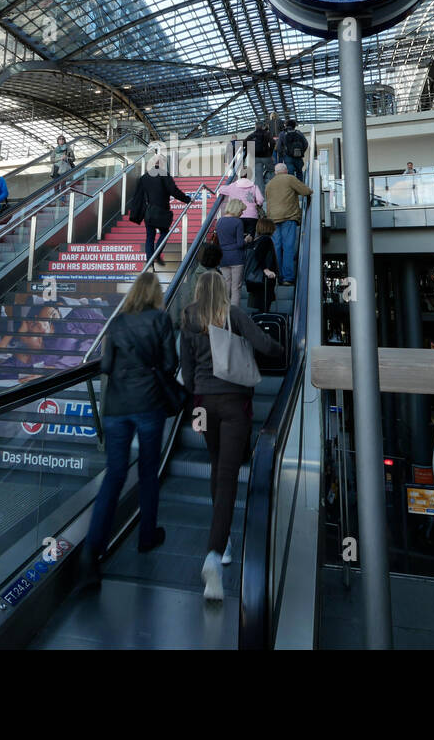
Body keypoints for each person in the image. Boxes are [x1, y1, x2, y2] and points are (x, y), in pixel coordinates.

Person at [181, 271, 282, 602]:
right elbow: (266, 345)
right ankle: (215, 552)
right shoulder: (233, 314)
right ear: (222, 289)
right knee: (228, 477)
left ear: (198, 290)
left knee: (216, 466)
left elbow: (185, 368)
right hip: (235, 404)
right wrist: (291, 348)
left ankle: (221, 543)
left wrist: (197, 393)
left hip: (204, 404)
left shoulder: (188, 317)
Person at [77, 271, 177, 588]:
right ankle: (147, 535)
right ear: (155, 294)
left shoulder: (117, 322)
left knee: (114, 474)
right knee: (148, 472)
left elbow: (105, 366)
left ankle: (93, 551)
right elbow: (170, 362)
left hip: (116, 408)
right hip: (148, 404)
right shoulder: (160, 320)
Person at [129, 157, 191, 268]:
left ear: (151, 163)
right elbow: (173, 190)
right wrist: (187, 199)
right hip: (162, 211)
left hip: (149, 213)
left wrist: (137, 213)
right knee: (164, 232)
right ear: (162, 164)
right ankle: (157, 253)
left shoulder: (144, 177)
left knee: (149, 237)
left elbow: (138, 197)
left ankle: (149, 262)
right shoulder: (164, 174)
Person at [264, 163, 312, 284]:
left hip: (273, 220)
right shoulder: (290, 178)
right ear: (286, 170)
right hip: (288, 218)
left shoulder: (269, 184)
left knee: (276, 248)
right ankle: (287, 278)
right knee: (288, 248)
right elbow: (306, 191)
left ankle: (277, 276)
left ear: (275, 172)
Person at [215, 167, 264, 238]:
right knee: (250, 238)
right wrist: (257, 203)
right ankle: (249, 248)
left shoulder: (233, 186)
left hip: (236, 215)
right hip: (252, 216)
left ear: (239, 175)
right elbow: (260, 199)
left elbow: (220, 189)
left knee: (238, 238)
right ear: (250, 175)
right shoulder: (254, 186)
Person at [216, 199, 248, 305]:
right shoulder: (238, 222)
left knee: (226, 286)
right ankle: (234, 314)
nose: (242, 213)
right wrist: (246, 240)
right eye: (241, 211)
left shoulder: (219, 221)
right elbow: (240, 244)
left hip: (223, 258)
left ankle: (223, 312)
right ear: (237, 209)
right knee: (236, 288)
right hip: (236, 258)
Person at [244, 217, 279, 313]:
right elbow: (259, 255)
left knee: (260, 306)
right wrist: (266, 270)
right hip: (264, 279)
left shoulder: (255, 240)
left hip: (254, 277)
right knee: (265, 305)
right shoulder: (266, 240)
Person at [246, 121, 275, 195]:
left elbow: (244, 142)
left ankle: (261, 195)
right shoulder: (266, 134)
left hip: (256, 157)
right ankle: (274, 190)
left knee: (258, 176)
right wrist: (270, 152)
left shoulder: (252, 134)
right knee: (272, 171)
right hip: (266, 156)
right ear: (262, 127)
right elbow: (273, 142)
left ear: (255, 126)